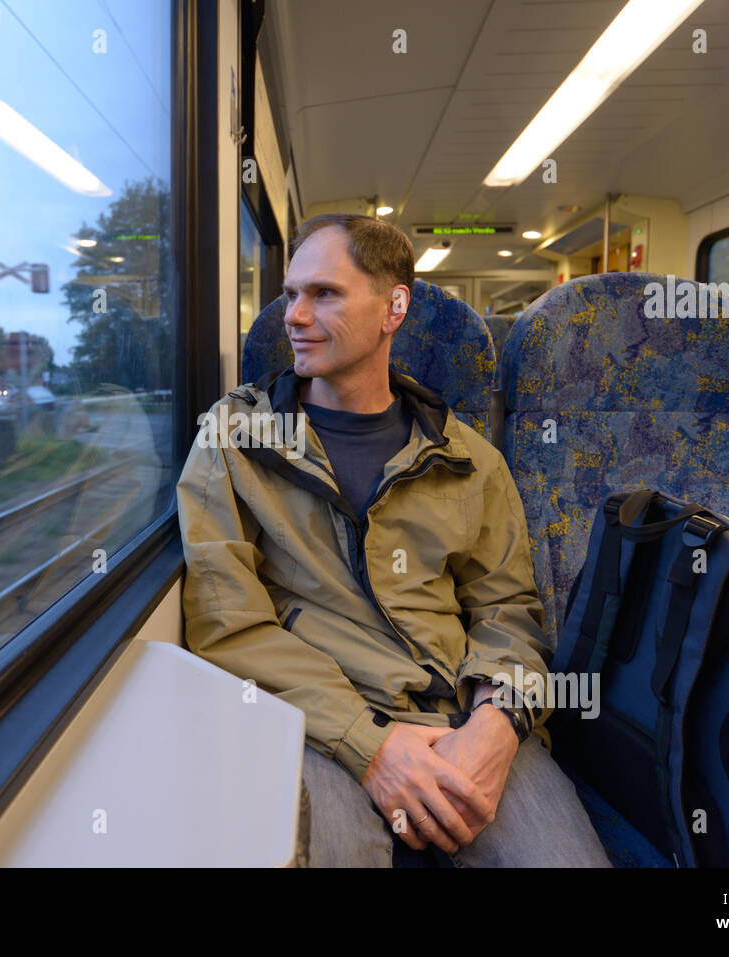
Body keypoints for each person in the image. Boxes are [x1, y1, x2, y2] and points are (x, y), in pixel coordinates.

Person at [175, 213, 608, 867]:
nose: (294, 314)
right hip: (315, 722)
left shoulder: (467, 457)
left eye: (324, 293)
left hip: (460, 712)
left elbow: (508, 612)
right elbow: (226, 622)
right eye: (291, 294)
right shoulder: (235, 438)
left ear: (393, 306)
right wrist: (367, 744)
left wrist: (497, 724)